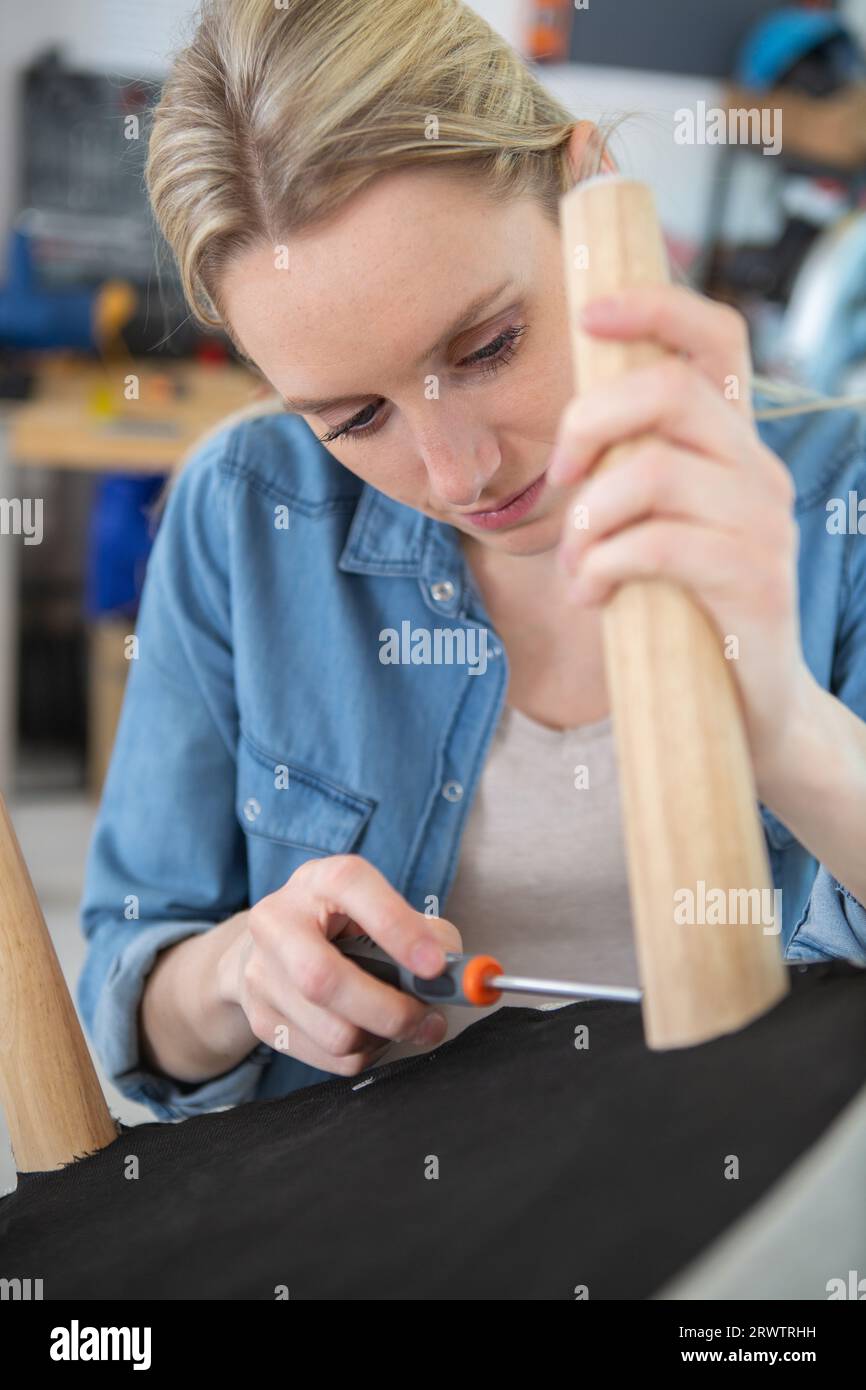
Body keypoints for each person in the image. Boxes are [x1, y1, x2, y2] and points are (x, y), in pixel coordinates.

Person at [78, 0, 866, 1121]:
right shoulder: (242, 511)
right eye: (353, 418)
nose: (459, 473)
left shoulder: (843, 492)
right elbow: (134, 974)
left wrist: (784, 725)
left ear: (585, 190)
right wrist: (240, 972)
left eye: (487, 346)